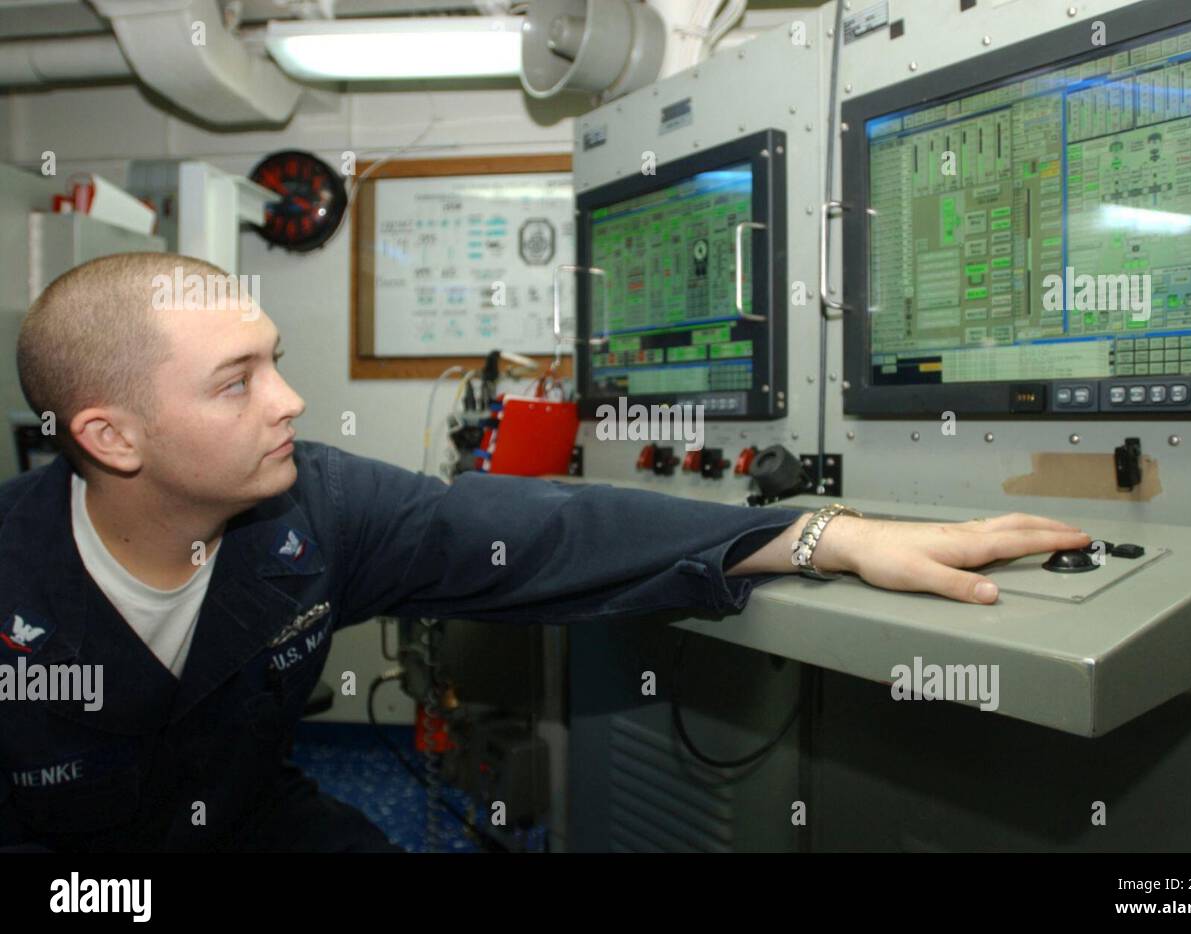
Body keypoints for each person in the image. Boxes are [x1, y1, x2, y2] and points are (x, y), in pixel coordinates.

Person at [0, 253, 1092, 852]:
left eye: (274, 362)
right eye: (237, 383)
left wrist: (827, 537)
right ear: (109, 436)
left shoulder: (316, 508)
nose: (290, 401)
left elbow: (549, 531)